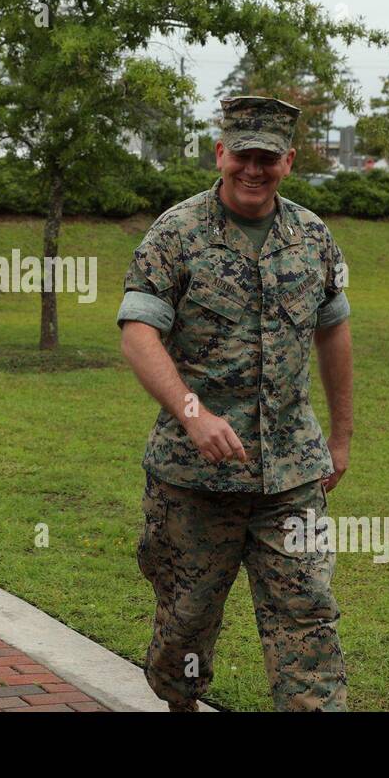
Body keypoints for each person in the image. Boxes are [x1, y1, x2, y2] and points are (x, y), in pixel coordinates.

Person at [117, 95, 353, 711]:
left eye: (267, 159)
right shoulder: (176, 234)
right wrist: (192, 414)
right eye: (242, 155)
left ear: (289, 162)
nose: (254, 169)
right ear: (220, 154)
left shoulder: (312, 237)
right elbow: (138, 332)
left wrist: (342, 437)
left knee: (306, 614)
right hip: (196, 479)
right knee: (186, 619)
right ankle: (179, 701)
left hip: (291, 476)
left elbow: (334, 330)